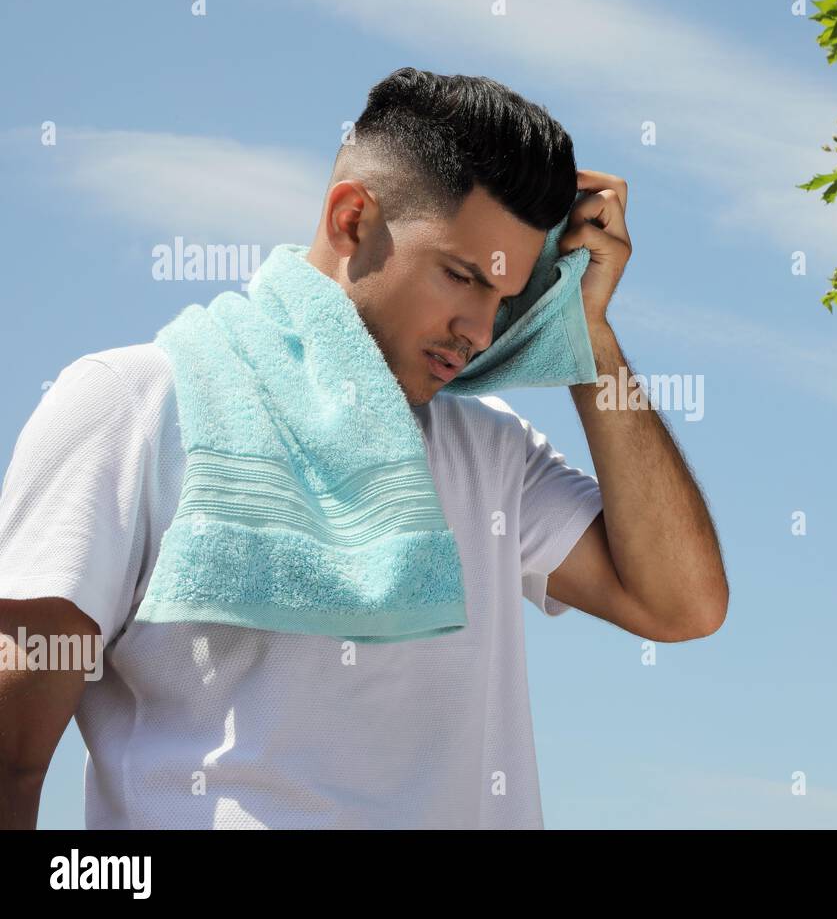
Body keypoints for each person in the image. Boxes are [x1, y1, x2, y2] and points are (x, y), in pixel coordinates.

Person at [0, 67, 728, 829]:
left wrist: (588, 334)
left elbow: (680, 604)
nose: (480, 331)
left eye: (506, 299)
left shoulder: (494, 455)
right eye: (461, 276)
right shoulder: (134, 404)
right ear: (352, 220)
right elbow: (11, 754)